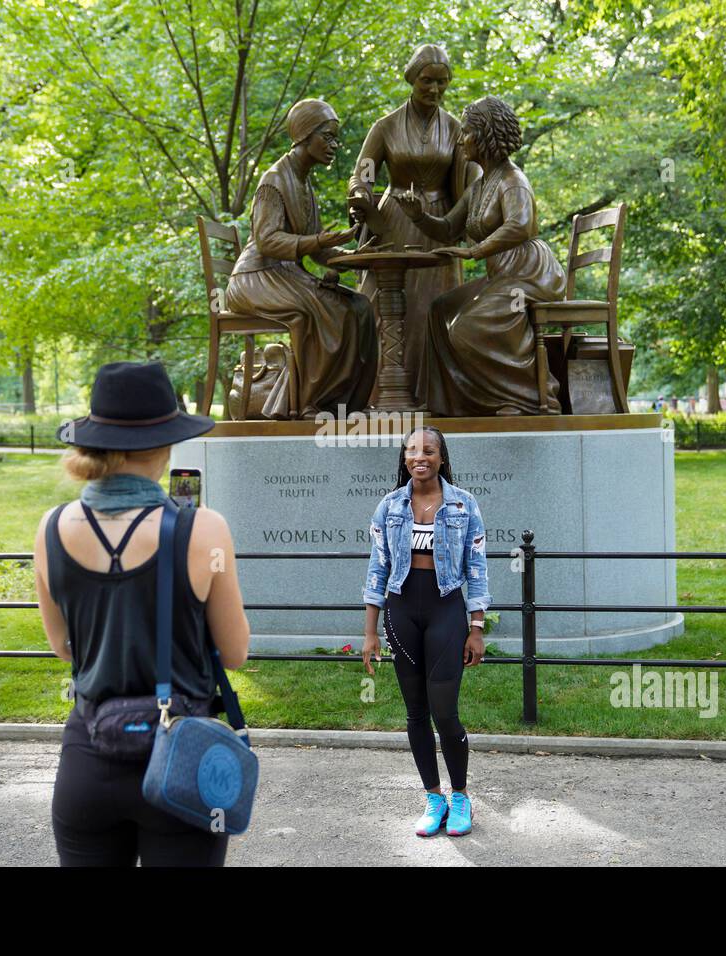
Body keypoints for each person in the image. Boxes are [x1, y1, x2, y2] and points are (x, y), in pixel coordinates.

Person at [35, 361, 250, 866]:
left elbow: (62, 646)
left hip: (87, 760)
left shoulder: (51, 527)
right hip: (181, 757)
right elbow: (236, 652)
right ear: (164, 445)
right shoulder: (204, 528)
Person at [399, 95, 568, 416]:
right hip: (500, 276)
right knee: (439, 310)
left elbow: (520, 226)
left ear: (486, 135)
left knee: (467, 328)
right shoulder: (479, 185)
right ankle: (449, 403)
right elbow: (449, 227)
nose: (460, 139)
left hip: (527, 276)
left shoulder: (512, 180)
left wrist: (474, 251)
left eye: (466, 132)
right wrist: (419, 216)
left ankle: (528, 397)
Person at [361, 426, 490, 837]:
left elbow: (478, 571)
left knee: (445, 712)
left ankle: (460, 796)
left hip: (446, 611)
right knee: (415, 712)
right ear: (404, 458)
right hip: (402, 612)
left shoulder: (464, 505)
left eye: (429, 451)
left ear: (441, 457)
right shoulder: (389, 505)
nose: (420, 457)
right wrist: (370, 632)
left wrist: (476, 628)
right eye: (412, 451)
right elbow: (377, 569)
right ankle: (433, 798)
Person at [346, 43, 481, 405]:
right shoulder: (385, 126)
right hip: (393, 222)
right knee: (377, 305)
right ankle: (379, 395)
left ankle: (430, 396)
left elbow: (471, 181)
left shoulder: (455, 128)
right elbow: (362, 175)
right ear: (411, 78)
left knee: (431, 308)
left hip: (438, 223)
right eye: (427, 81)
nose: (434, 89)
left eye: (442, 82)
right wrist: (360, 195)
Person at [226, 98, 376, 420]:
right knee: (323, 310)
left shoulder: (305, 183)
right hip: (255, 278)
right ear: (304, 135)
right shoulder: (274, 180)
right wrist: (319, 240)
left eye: (336, 137)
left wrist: (357, 256)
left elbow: (319, 250)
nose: (335, 145)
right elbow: (267, 240)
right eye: (328, 136)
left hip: (284, 274)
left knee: (360, 307)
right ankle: (310, 403)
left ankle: (344, 403)